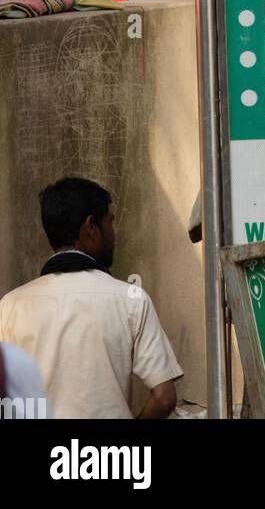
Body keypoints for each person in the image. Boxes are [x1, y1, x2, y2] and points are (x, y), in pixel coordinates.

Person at [0, 176, 182, 419]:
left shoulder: (10, 305)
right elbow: (164, 397)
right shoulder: (131, 299)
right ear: (91, 228)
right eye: (110, 222)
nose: (114, 234)